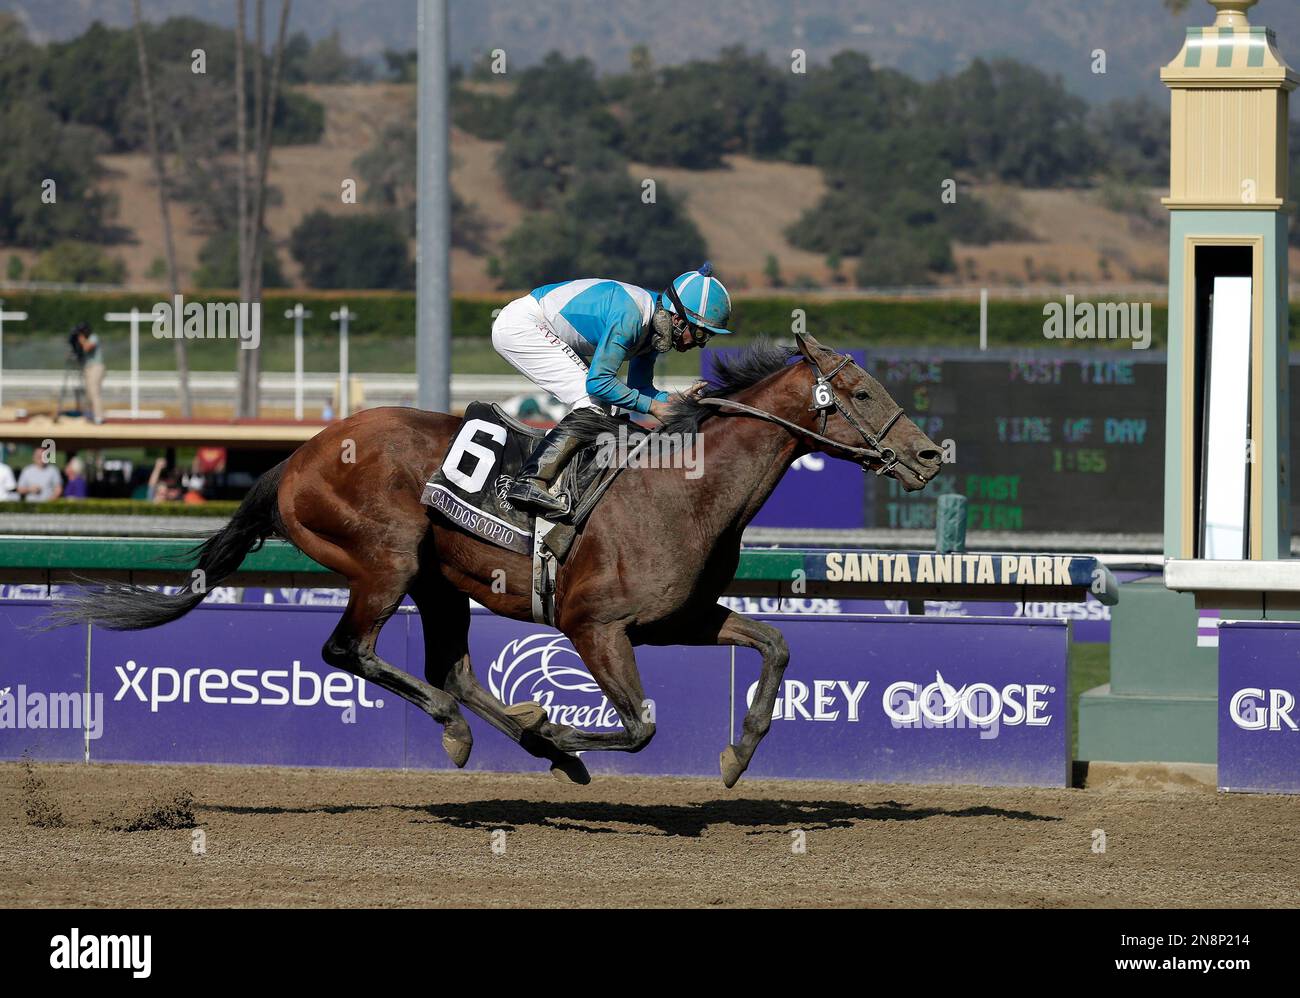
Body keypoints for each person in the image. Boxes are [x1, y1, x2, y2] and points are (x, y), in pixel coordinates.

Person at [493, 263, 732, 516]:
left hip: (537, 324)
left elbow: (639, 389)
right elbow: (599, 383)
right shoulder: (631, 316)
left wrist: (674, 400)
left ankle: (570, 481)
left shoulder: (655, 325)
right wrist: (653, 406)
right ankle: (532, 480)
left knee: (611, 405)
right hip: (524, 326)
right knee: (593, 401)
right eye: (700, 334)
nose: (700, 344)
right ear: (677, 319)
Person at [71, 321, 106, 424]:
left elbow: (87, 347)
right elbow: (79, 353)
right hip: (87, 367)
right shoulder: (83, 339)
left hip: (96, 367)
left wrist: (81, 339)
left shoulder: (93, 337)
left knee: (94, 392)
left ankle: (99, 417)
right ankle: (90, 415)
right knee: (88, 394)